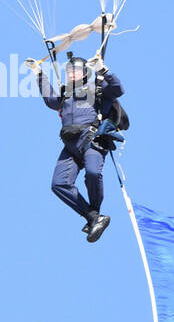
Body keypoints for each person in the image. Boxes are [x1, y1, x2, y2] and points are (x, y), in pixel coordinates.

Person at [26, 52, 124, 242]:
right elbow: (50, 100)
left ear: (84, 72)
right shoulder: (65, 94)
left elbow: (118, 89)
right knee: (58, 184)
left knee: (93, 173)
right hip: (70, 145)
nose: (71, 73)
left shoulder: (97, 88)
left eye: (75, 70)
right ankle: (94, 217)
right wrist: (38, 73)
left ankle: (95, 212)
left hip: (91, 139)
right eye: (68, 70)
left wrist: (103, 70)